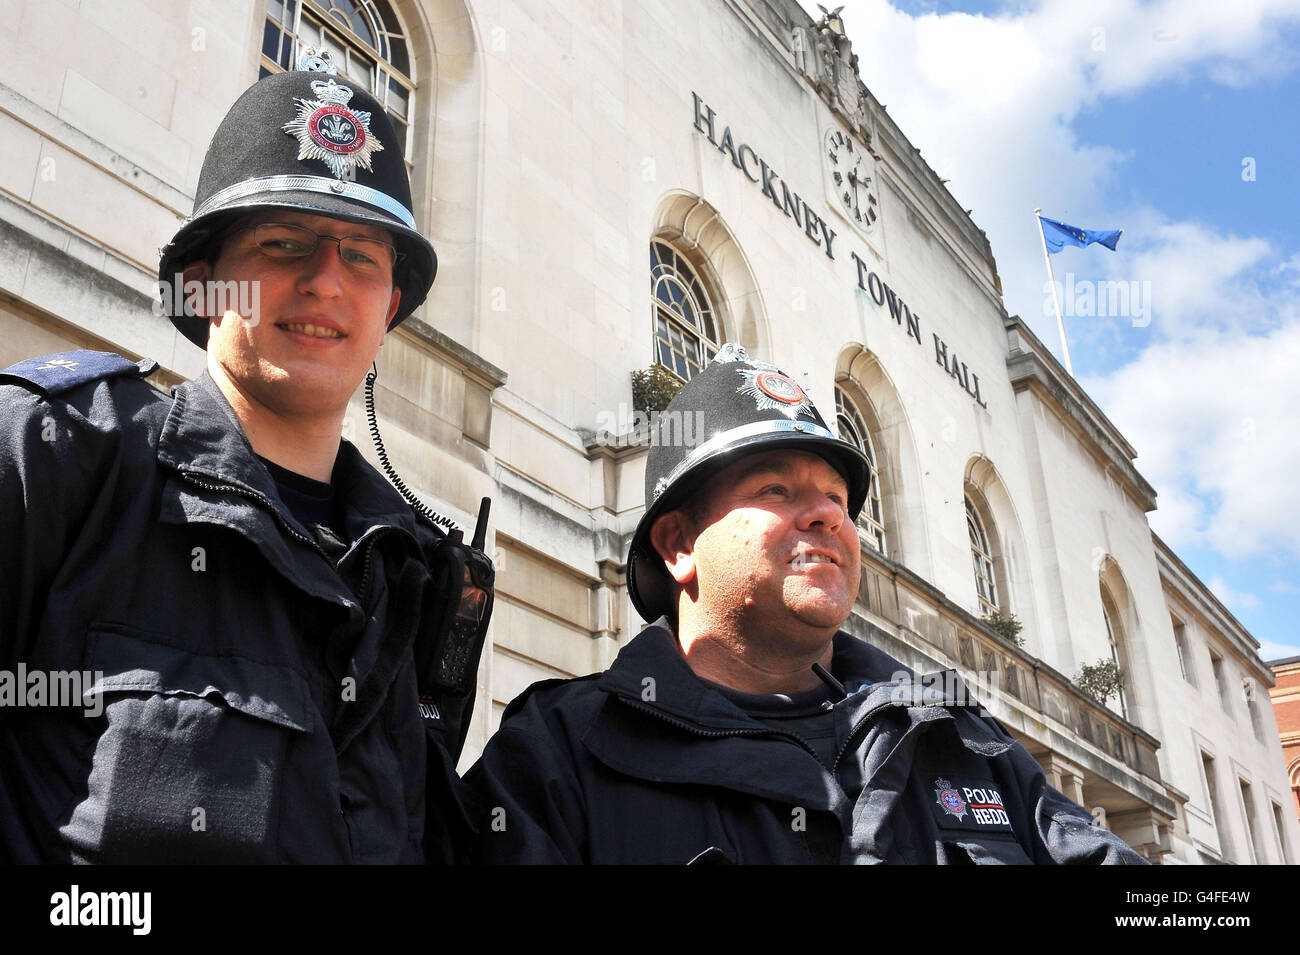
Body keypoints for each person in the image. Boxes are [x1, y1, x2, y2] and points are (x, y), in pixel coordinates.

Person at [0, 50, 481, 863]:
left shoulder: (413, 574)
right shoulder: (57, 453)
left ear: (389, 305)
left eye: (362, 256)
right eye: (285, 241)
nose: (327, 280)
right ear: (204, 282)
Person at [467, 344, 1145, 864]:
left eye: (837, 498)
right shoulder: (559, 755)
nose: (826, 515)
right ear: (677, 543)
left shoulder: (965, 744)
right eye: (775, 489)